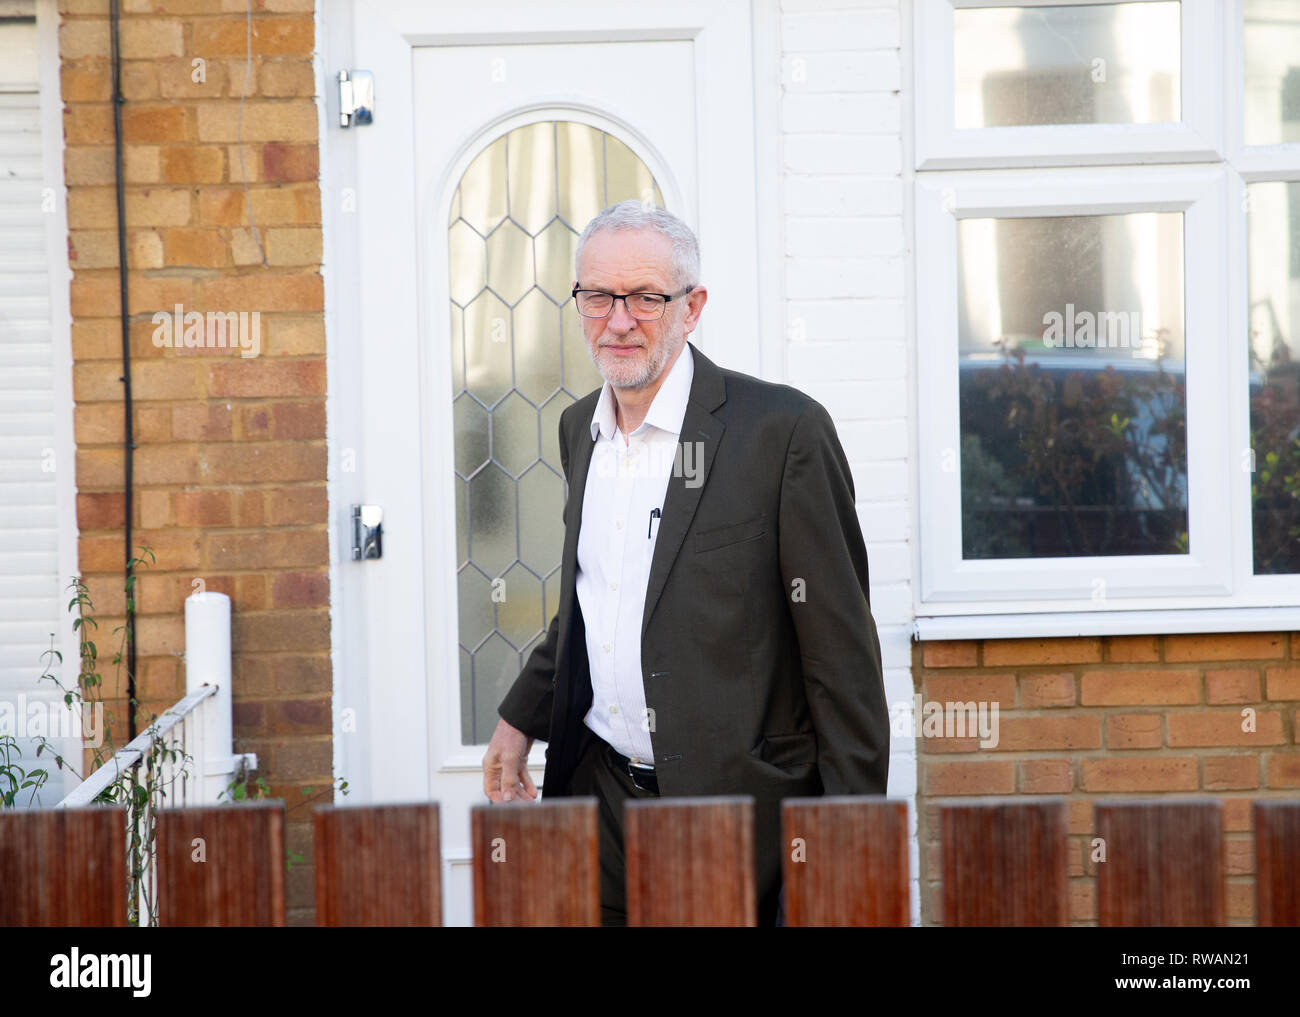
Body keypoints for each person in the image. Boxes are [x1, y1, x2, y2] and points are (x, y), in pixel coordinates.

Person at [481, 199, 889, 926]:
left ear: (692, 307)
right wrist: (520, 717)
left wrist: (841, 853)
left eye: (645, 297)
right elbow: (597, 606)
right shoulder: (581, 430)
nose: (619, 319)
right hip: (599, 798)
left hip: (736, 818)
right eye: (599, 296)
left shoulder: (783, 433)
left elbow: (843, 667)